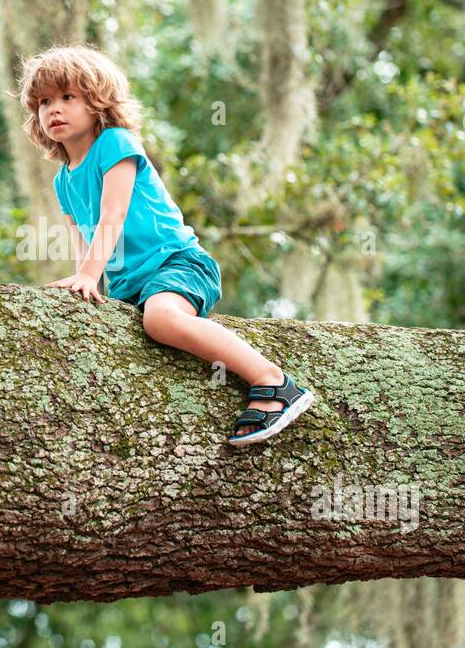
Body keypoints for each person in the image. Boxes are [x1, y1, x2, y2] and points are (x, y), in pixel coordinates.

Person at [17, 44, 313, 445]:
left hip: (178, 264)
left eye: (68, 97)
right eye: (45, 101)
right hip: (130, 289)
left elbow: (113, 215)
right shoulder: (62, 180)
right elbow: (83, 238)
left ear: (96, 103)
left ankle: (274, 383)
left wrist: (88, 273)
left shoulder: (115, 144)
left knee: (160, 320)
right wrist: (85, 281)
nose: (54, 109)